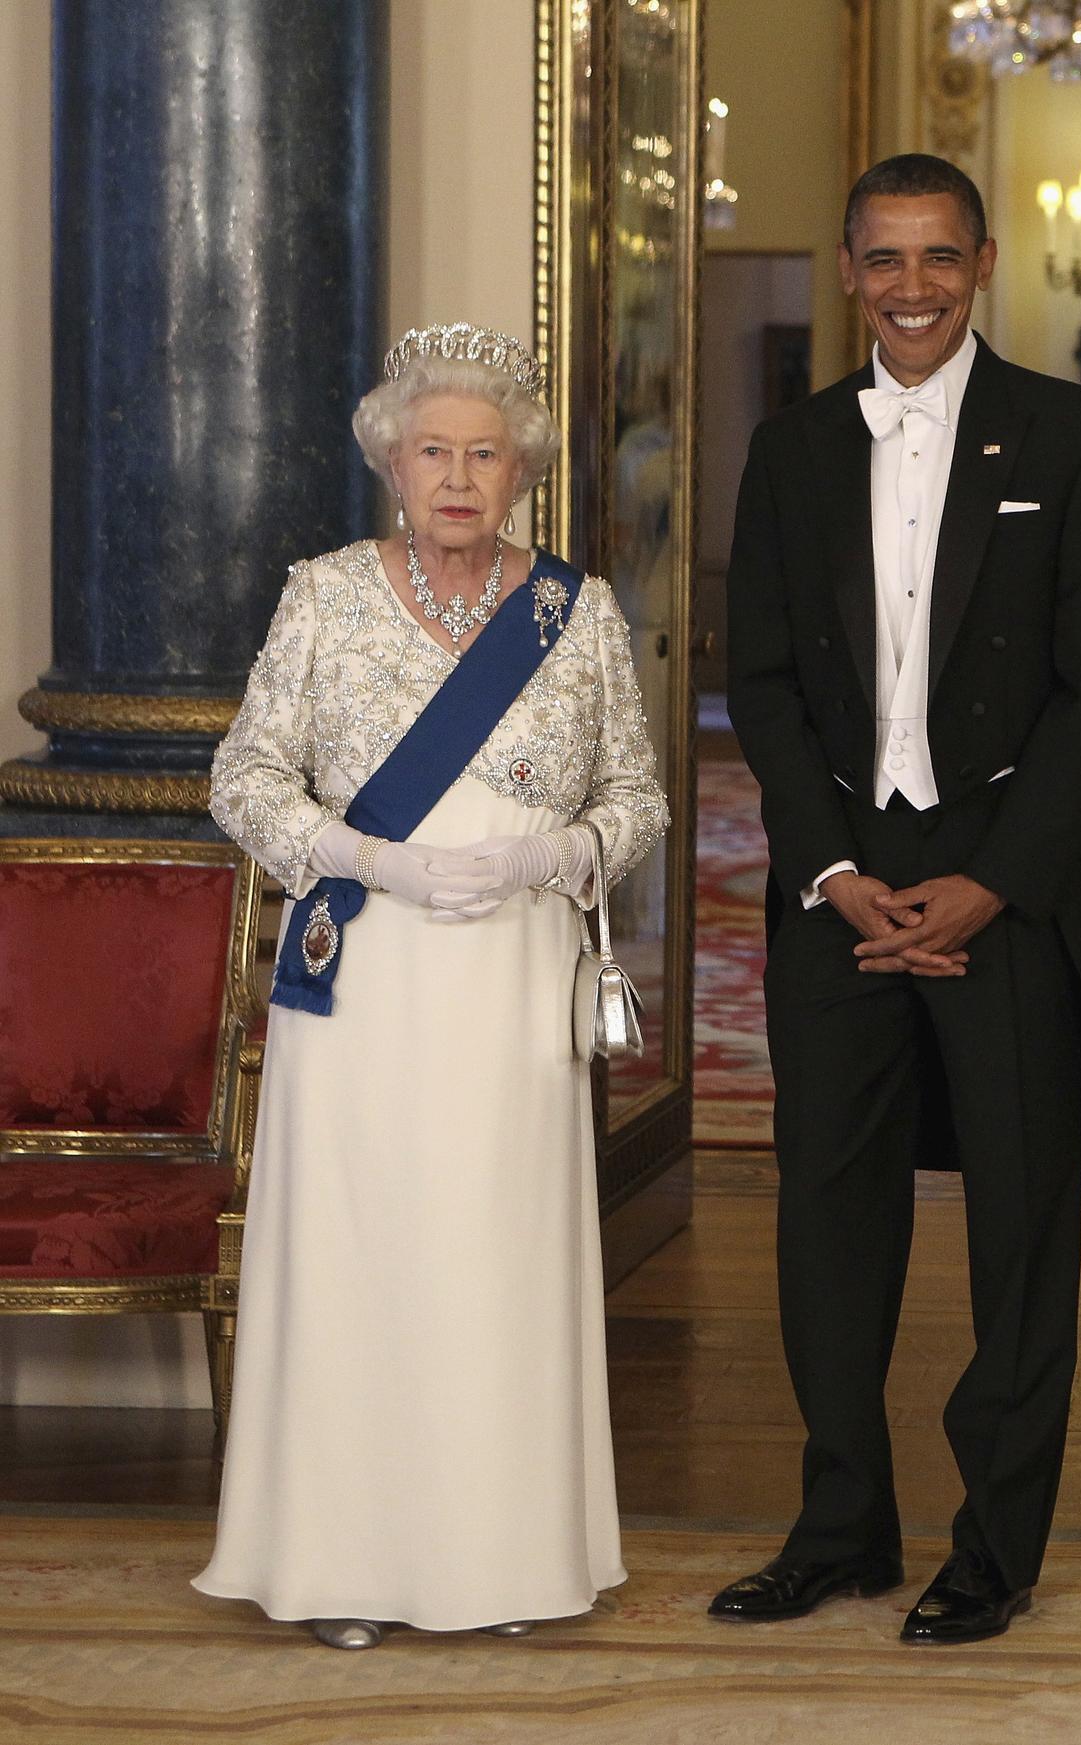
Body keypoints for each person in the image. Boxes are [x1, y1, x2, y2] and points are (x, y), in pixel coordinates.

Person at [715, 154, 1081, 1645]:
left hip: (1004, 889)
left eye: (940, 258)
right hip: (836, 885)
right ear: (848, 268)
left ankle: (996, 1546)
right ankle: (842, 1526)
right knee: (829, 1224)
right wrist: (829, 872)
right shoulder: (790, 451)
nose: (913, 286)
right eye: (886, 258)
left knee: (1021, 1229)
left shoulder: (1079, 438)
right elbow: (757, 682)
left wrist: (991, 880)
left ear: (984, 263)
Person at [197, 323, 669, 1649]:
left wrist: (570, 847)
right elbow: (242, 777)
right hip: (366, 974)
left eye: (485, 453)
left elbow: (635, 792)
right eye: (432, 452)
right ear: (391, 464)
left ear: (522, 470)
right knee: (362, 1256)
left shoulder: (573, 616)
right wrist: (349, 852)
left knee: (494, 1257)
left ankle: (510, 1560)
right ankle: (342, 1562)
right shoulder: (325, 593)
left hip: (512, 975)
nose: (458, 476)